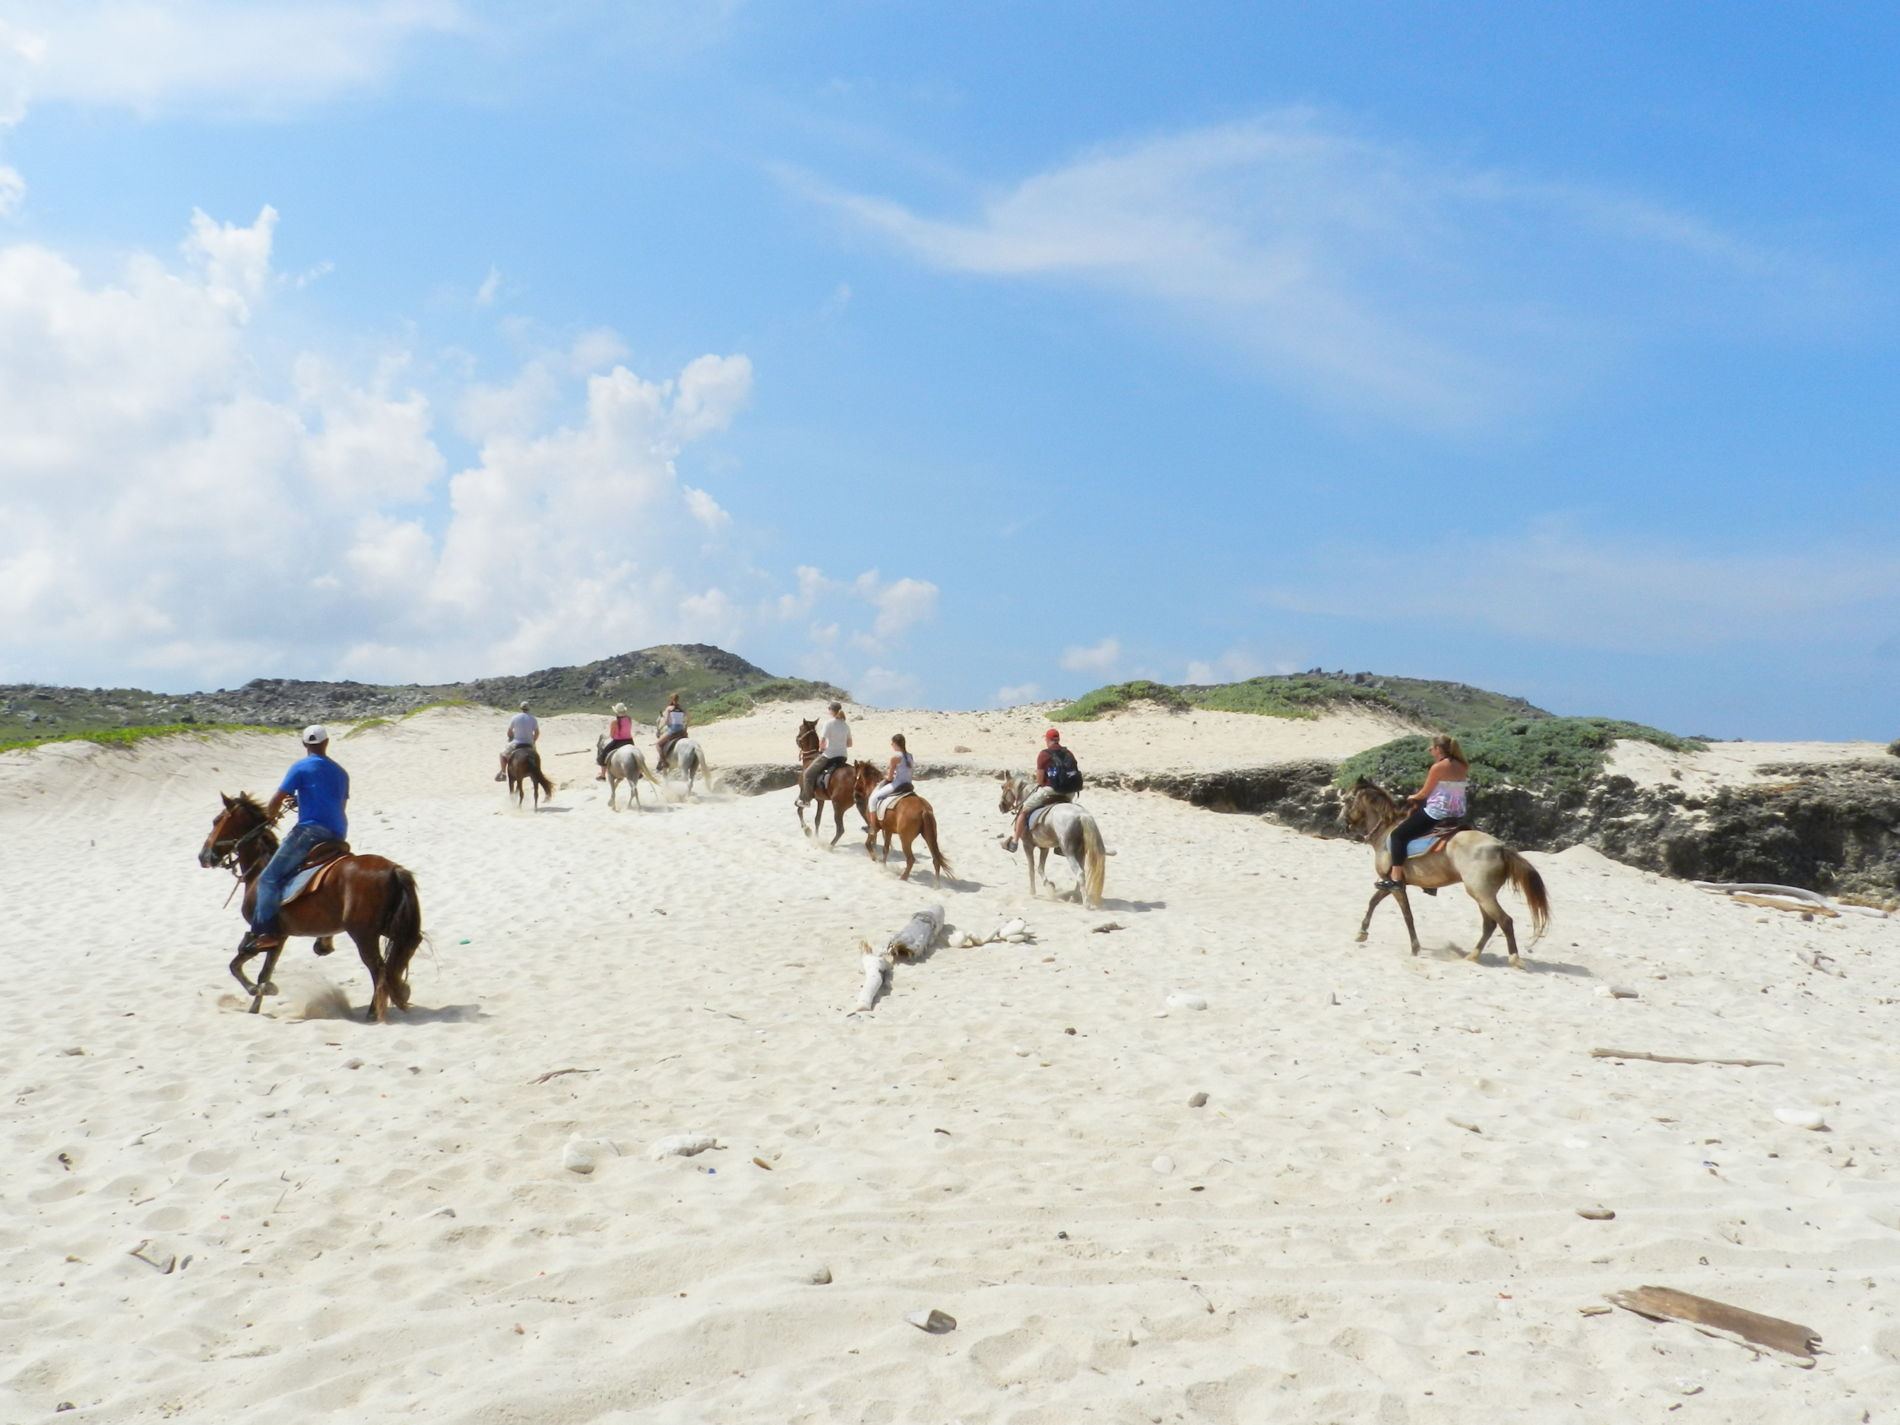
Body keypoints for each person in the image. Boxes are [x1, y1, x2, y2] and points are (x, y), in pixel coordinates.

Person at [245, 725, 350, 952]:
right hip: (339, 832)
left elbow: (277, 800)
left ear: (304, 744)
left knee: (268, 878)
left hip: (309, 832)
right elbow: (338, 805)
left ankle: (266, 933)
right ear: (326, 742)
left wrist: (269, 818)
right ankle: (326, 935)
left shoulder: (300, 767)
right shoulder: (341, 773)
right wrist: (302, 801)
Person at [1378, 734, 1469, 889]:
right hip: (1457, 811)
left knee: (1398, 835)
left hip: (1438, 811)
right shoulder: (1463, 765)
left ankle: (1396, 879)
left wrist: (1412, 797)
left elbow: (1424, 793)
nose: (1430, 751)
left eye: (1431, 748)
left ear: (1438, 749)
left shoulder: (1438, 767)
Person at [1009, 728, 1081, 850]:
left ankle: (1015, 841)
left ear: (1047, 740)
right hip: (1069, 793)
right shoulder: (1069, 753)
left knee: (1023, 810)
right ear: (1058, 739)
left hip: (1051, 791)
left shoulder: (1044, 754)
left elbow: (1040, 781)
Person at [800, 700, 852, 801]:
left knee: (807, 774)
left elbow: (822, 741)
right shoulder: (846, 726)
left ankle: (806, 799)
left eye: (829, 709)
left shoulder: (828, 723)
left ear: (831, 710)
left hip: (829, 756)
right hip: (843, 756)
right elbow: (850, 744)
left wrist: (822, 748)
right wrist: (840, 744)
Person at [866, 732, 914, 823]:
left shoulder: (895, 757)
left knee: (872, 799)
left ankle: (873, 826)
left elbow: (890, 778)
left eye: (892, 743)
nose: (891, 744)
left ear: (896, 743)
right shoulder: (910, 756)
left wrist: (885, 777)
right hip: (908, 784)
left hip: (898, 784)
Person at [497, 701, 539, 781]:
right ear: (529, 708)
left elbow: (509, 732)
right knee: (536, 757)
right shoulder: (533, 718)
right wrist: (533, 741)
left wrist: (512, 736)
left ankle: (503, 773)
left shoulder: (515, 717)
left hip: (517, 742)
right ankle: (536, 774)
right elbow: (537, 733)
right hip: (529, 743)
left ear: (520, 708)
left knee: (502, 755)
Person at [596, 701, 634, 781]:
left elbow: (612, 735)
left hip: (618, 742)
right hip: (630, 741)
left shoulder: (615, 722)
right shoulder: (629, 719)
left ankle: (603, 775)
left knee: (603, 754)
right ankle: (640, 771)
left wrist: (607, 737)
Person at [656, 692, 688, 770]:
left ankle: (664, 762)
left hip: (673, 730)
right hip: (682, 730)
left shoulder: (669, 708)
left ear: (671, 700)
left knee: (658, 744)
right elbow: (689, 718)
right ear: (678, 699)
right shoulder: (682, 708)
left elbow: (666, 721)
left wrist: (659, 729)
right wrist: (685, 728)